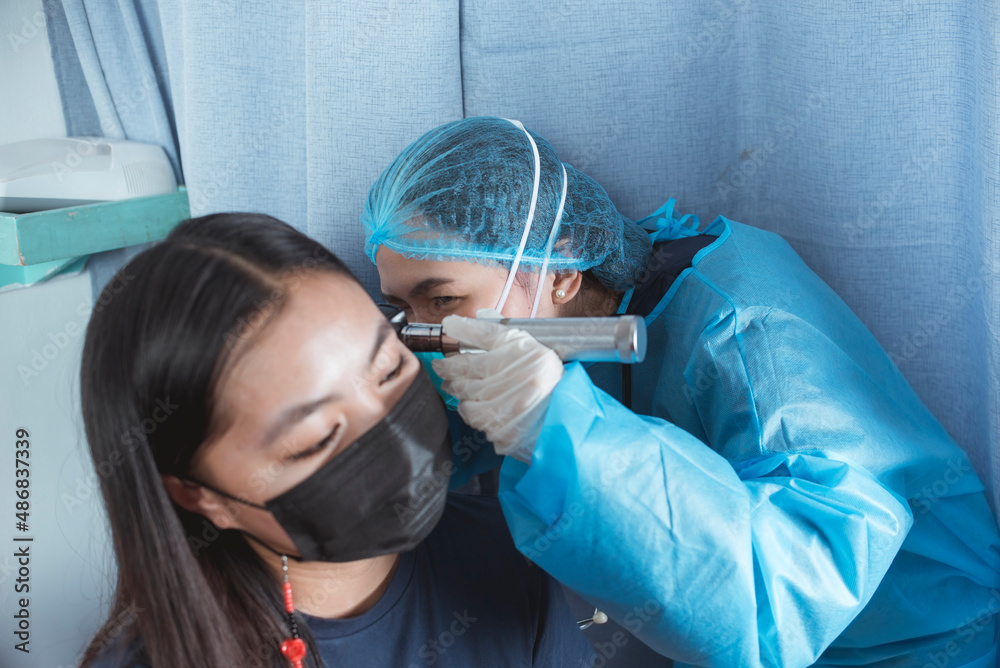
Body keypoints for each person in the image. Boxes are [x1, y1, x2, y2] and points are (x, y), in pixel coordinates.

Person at [361, 116, 1000, 667]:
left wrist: (558, 425)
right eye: (401, 307)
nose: (428, 332)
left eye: (443, 299)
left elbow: (782, 602)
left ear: (558, 269)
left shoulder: (741, 325)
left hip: (900, 642)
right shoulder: (577, 310)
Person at [77, 212, 595, 668]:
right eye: (316, 437)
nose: (393, 434)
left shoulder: (511, 557)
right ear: (200, 495)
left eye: (389, 370)